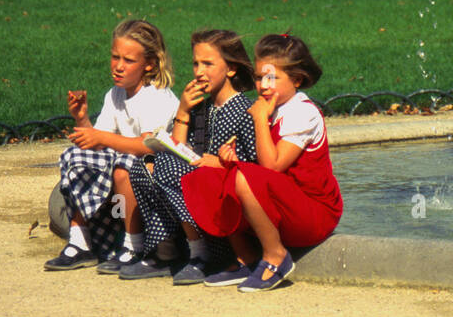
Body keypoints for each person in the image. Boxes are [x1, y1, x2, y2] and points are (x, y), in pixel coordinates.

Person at [182, 32, 342, 290]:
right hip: (282, 209)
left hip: (314, 213)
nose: (263, 85)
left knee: (241, 176)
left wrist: (258, 119)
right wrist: (228, 162)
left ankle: (276, 256)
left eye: (272, 78)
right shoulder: (269, 108)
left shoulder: (302, 112)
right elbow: (260, 171)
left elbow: (272, 167)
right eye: (258, 77)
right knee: (210, 174)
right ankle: (246, 256)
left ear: (297, 79)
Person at [121, 30, 257, 283]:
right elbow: (179, 149)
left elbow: (255, 168)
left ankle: (201, 254)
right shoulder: (201, 110)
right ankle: (165, 251)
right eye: (196, 63)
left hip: (224, 204)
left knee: (167, 166)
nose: (199, 71)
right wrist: (183, 111)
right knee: (145, 166)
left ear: (231, 69)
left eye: (207, 64)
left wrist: (217, 162)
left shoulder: (245, 110)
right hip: (195, 190)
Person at [44, 19, 178, 270]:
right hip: (119, 184)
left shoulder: (156, 95)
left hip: (152, 174)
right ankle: (80, 241)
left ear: (149, 63)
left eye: (128, 60)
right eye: (115, 57)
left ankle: (133, 244)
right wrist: (81, 118)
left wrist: (101, 138)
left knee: (123, 167)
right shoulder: (115, 94)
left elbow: (148, 146)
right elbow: (97, 144)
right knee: (76, 156)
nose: (118, 66)